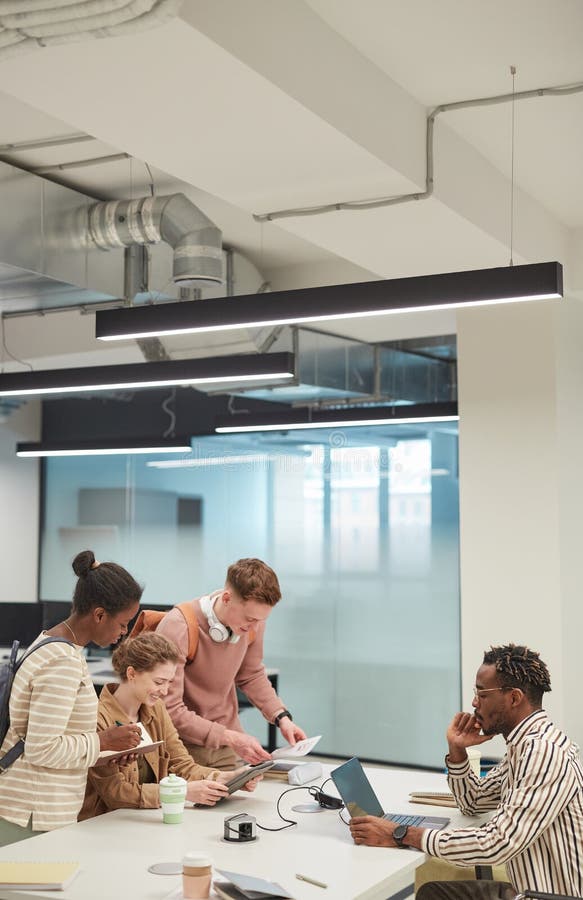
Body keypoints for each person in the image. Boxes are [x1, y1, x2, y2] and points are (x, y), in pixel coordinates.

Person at [349, 643, 583, 899]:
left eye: (482, 694)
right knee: (432, 892)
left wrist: (402, 834)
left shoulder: (543, 754)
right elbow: (473, 802)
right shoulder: (524, 746)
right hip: (528, 890)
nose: (474, 702)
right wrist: (457, 751)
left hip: (545, 896)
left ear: (514, 698)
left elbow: (496, 843)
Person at [0, 550, 143, 847]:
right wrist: (103, 742)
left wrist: (106, 749)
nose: (124, 633)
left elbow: (53, 736)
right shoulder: (61, 661)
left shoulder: (52, 643)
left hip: (35, 808)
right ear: (99, 614)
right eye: (122, 623)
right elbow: (42, 749)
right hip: (32, 811)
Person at [80, 633, 261, 818]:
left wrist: (226, 777)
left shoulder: (156, 709)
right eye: (159, 682)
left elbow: (182, 765)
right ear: (131, 673)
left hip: (145, 820)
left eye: (169, 682)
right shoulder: (97, 719)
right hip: (105, 825)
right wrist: (180, 792)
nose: (165, 691)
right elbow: (115, 793)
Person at [156, 558, 307, 769]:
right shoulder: (179, 626)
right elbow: (168, 709)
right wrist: (230, 737)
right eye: (250, 618)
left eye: (260, 620)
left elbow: (251, 674)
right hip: (180, 747)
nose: (254, 626)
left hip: (226, 743)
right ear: (227, 598)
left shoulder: (253, 625)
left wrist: (281, 717)